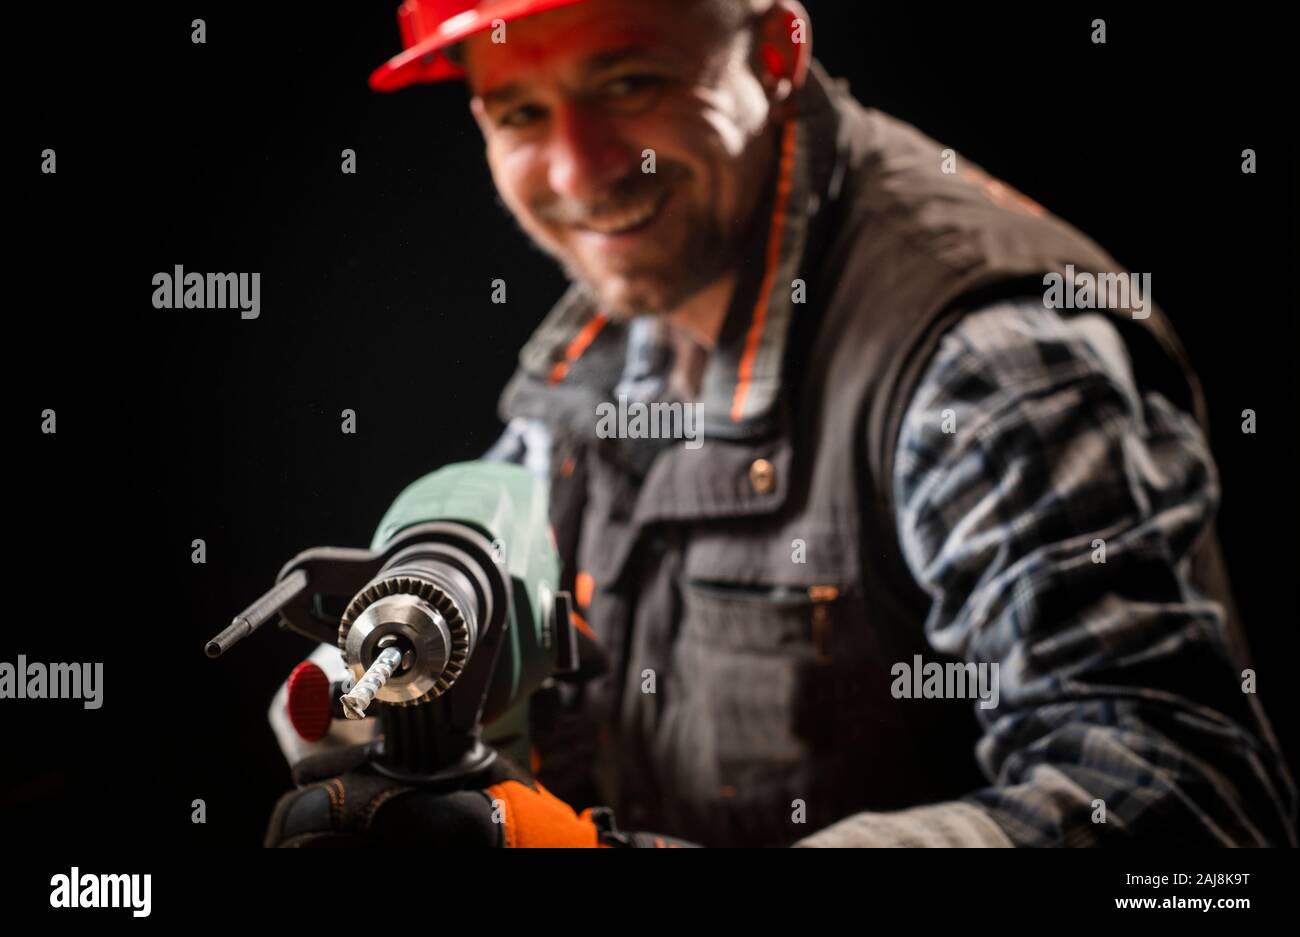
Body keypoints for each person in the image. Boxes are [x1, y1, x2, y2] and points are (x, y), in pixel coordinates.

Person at [265, 0, 1295, 847]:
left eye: (631, 83)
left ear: (774, 51)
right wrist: (386, 706)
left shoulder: (981, 356)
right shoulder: (613, 323)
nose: (578, 172)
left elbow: (1188, 806)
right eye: (517, 112)